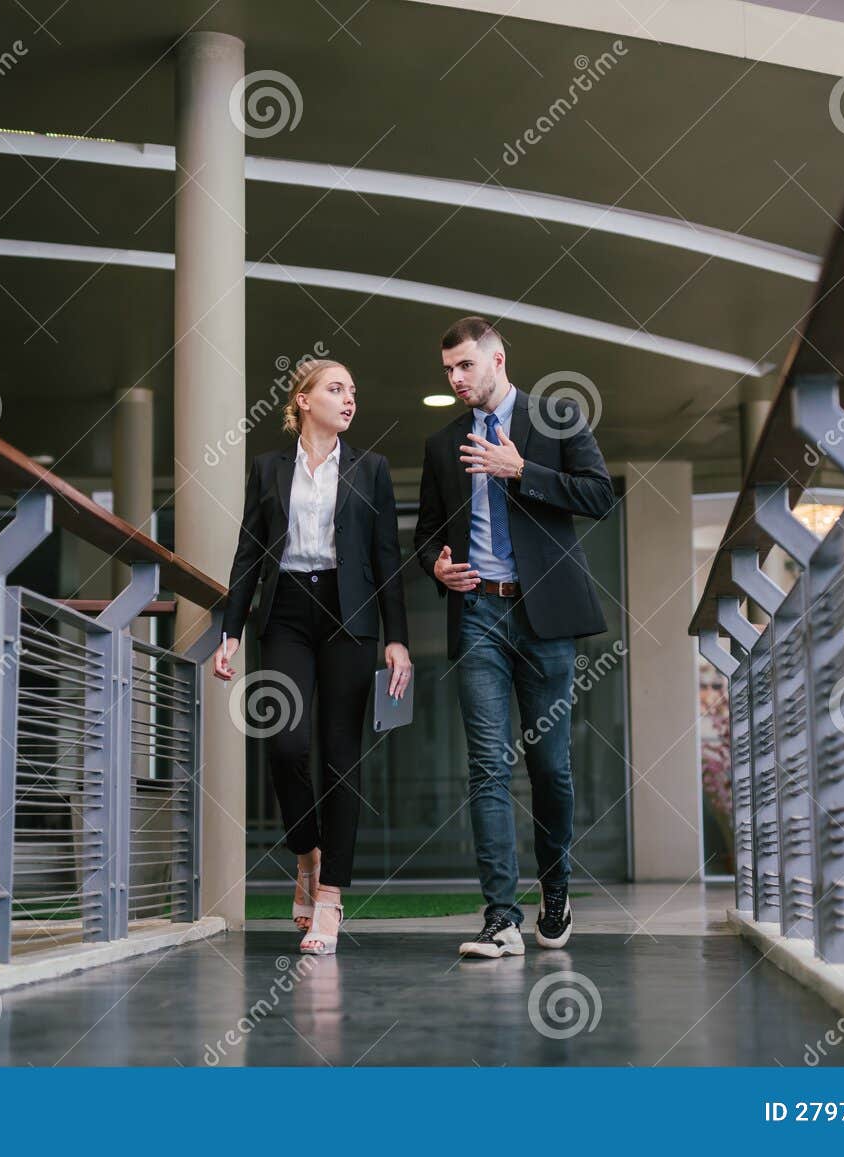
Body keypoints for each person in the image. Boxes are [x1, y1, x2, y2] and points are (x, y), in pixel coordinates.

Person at [414, 317, 614, 958]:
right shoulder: (443, 444)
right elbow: (423, 536)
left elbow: (600, 496)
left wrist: (521, 468)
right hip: (477, 614)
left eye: (465, 366)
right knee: (486, 765)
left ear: (498, 360)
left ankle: (555, 891)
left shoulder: (555, 418)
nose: (455, 378)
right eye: (448, 370)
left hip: (543, 618)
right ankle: (500, 918)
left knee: (550, 767)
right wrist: (437, 567)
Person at [213, 358, 412, 955]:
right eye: (335, 388)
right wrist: (231, 630)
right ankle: (306, 852)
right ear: (303, 400)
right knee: (286, 743)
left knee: (341, 758)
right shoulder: (269, 469)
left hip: (351, 616)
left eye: (353, 390)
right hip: (287, 614)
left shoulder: (371, 469)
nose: (349, 399)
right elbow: (249, 552)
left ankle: (330, 896)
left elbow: (386, 557)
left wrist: (397, 636)